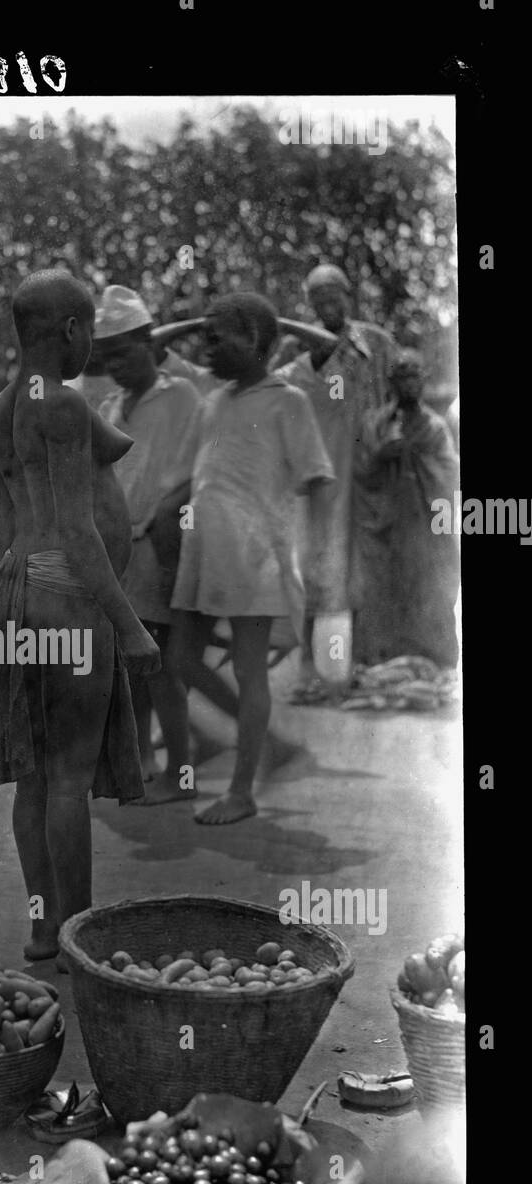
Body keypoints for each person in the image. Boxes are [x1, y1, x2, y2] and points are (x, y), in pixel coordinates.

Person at [0, 269, 160, 965]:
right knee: (65, 779)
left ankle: (40, 926)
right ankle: (77, 933)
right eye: (89, 329)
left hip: (17, 589)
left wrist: (25, 588)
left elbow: (1, 526)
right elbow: (79, 531)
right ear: (71, 331)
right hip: (65, 597)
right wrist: (129, 625)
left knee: (33, 775)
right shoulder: (57, 406)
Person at [170, 293, 335, 825]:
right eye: (205, 335)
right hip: (205, 556)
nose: (206, 345)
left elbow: (318, 481)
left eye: (219, 336)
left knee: (248, 670)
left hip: (257, 560)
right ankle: (269, 741)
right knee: (180, 659)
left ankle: (241, 791)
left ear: (258, 341)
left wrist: (321, 556)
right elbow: (197, 479)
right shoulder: (212, 401)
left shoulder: (288, 401)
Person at [95, 286, 206, 804]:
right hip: (119, 549)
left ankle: (180, 770)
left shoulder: (180, 394)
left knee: (160, 663)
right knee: (131, 664)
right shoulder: (110, 407)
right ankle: (142, 759)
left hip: (162, 543)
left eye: (126, 351)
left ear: (149, 343)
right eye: (108, 356)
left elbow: (199, 465)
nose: (116, 365)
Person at [275, 265, 394, 697]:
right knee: (313, 565)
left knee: (364, 565)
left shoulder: (377, 343)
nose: (328, 306)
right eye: (318, 299)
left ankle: (361, 660)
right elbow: (276, 391)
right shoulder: (296, 347)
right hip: (319, 476)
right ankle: (308, 666)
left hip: (366, 470)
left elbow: (398, 392)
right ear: (310, 305)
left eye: (335, 297)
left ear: (349, 297)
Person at [352, 350, 460, 668]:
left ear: (424, 381)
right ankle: (383, 659)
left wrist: (418, 459)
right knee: (383, 587)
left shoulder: (435, 427)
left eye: (415, 376)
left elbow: (449, 472)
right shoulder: (375, 423)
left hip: (424, 523)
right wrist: (382, 455)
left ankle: (434, 660)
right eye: (402, 377)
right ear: (391, 382)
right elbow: (360, 471)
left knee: (430, 586)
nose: (409, 383)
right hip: (386, 521)